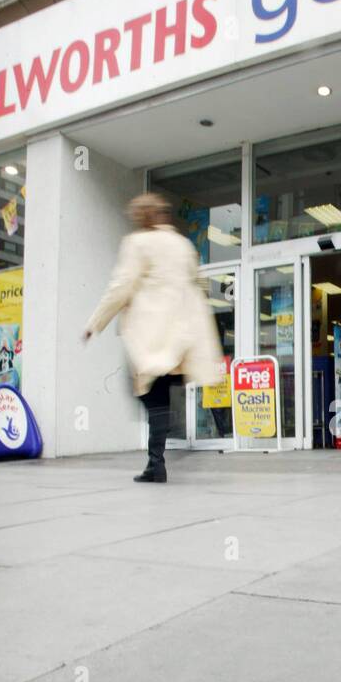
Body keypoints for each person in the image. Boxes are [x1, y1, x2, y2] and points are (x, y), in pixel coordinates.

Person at [83, 193, 222, 482]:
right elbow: (197, 282)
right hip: (181, 333)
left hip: (152, 332)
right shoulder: (183, 244)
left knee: (144, 390)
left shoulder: (137, 243)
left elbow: (122, 285)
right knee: (158, 392)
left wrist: (95, 323)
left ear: (141, 217)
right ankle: (155, 462)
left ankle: (156, 462)